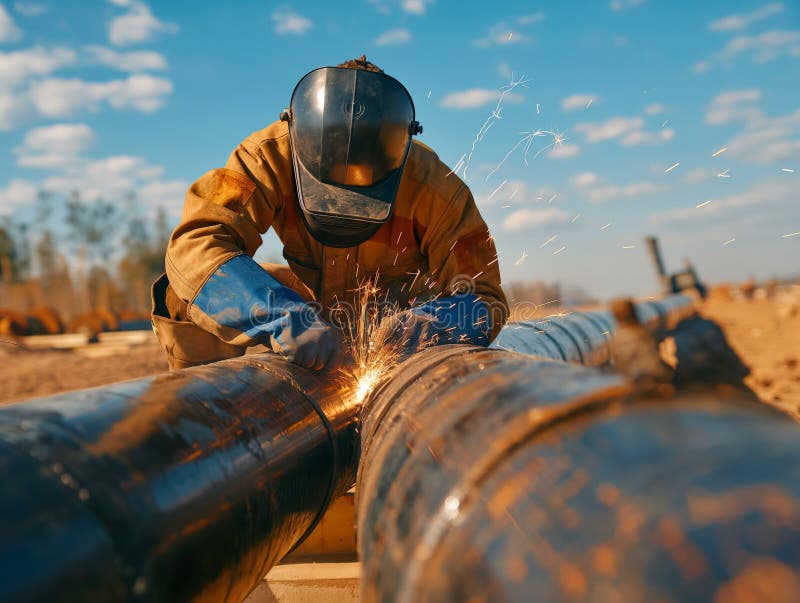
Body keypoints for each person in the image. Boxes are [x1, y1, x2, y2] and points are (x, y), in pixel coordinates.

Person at [151, 56, 508, 371]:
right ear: (298, 137)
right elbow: (196, 242)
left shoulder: (438, 189)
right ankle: (204, 420)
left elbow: (485, 300)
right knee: (178, 294)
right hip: (307, 311)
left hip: (387, 327)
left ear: (398, 154)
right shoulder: (265, 157)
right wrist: (281, 315)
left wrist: (428, 326)